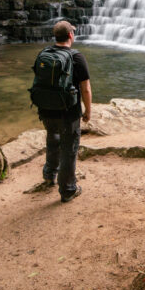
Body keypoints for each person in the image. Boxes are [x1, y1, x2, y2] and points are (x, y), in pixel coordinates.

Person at [30, 20, 92, 202]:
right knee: (69, 149)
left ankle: (49, 175)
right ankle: (68, 189)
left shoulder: (44, 54)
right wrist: (88, 110)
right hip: (68, 112)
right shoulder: (76, 57)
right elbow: (86, 89)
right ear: (71, 35)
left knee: (52, 138)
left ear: (55, 36)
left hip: (46, 109)